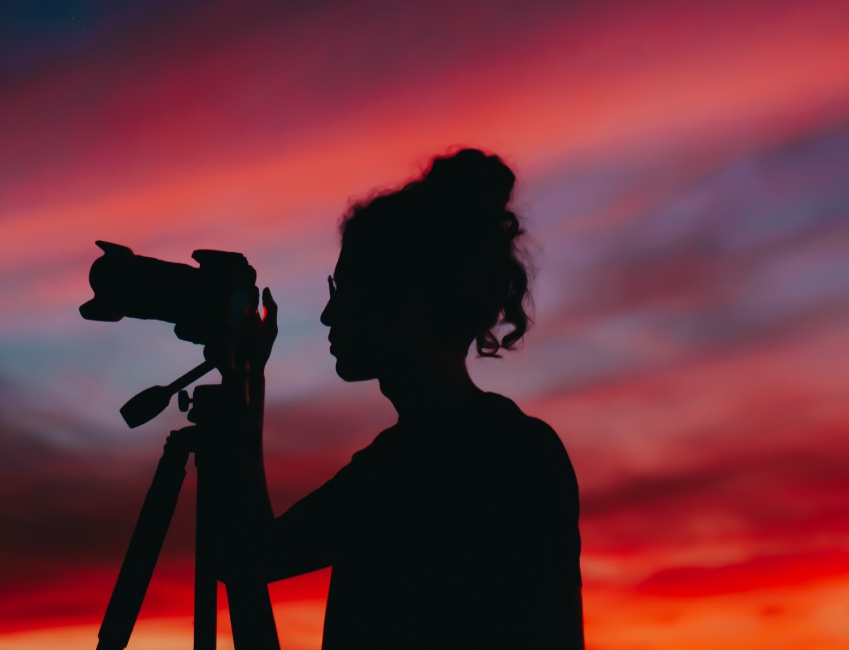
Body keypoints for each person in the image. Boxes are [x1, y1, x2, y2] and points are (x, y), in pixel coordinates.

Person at [212, 148, 584, 649]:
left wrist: (246, 384)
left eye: (344, 291)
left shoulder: (404, 468)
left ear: (403, 300)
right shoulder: (531, 448)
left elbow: (249, 557)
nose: (327, 316)